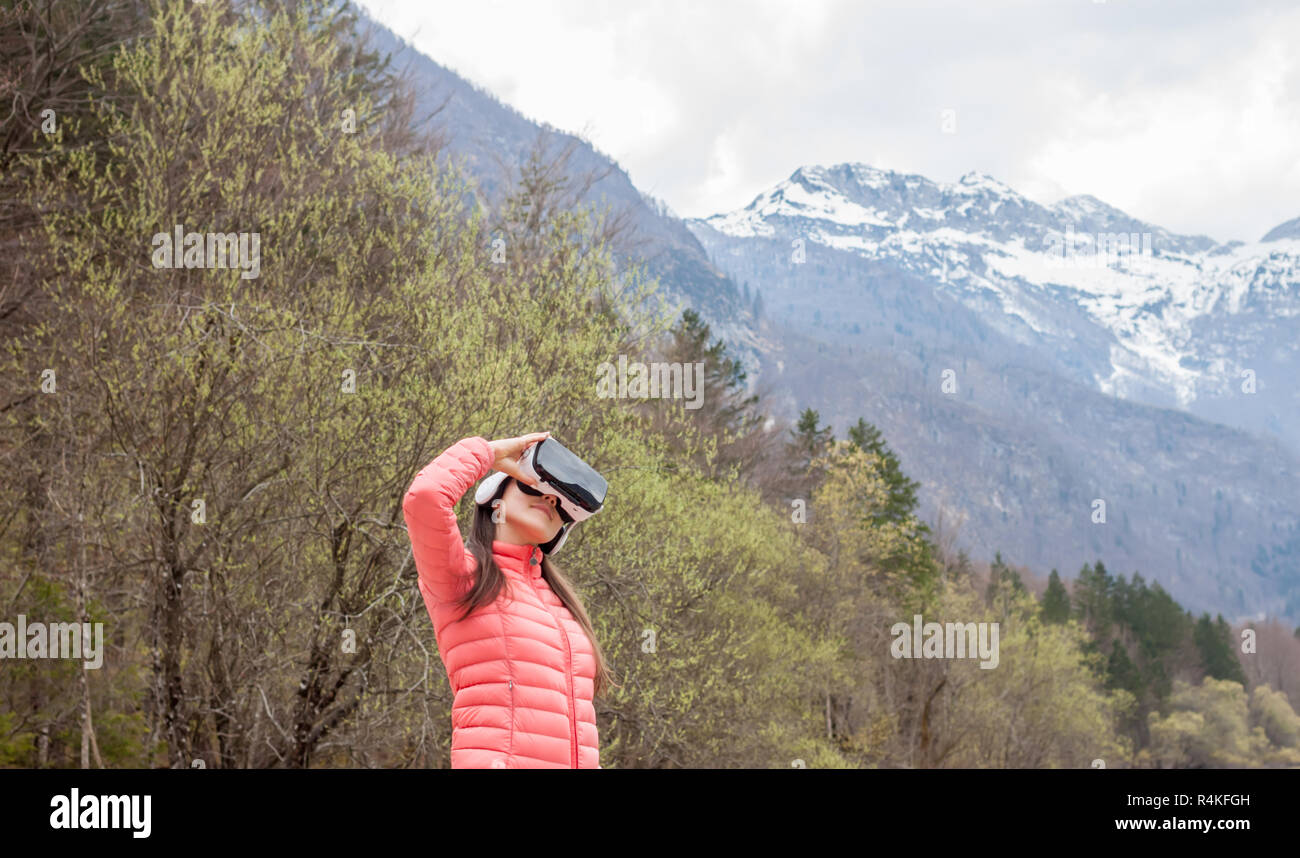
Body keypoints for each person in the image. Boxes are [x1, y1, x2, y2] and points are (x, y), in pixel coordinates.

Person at [402, 432, 611, 768]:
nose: (549, 500)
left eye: (562, 502)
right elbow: (425, 498)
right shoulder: (464, 578)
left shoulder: (563, 606)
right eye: (532, 486)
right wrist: (488, 453)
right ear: (493, 496)